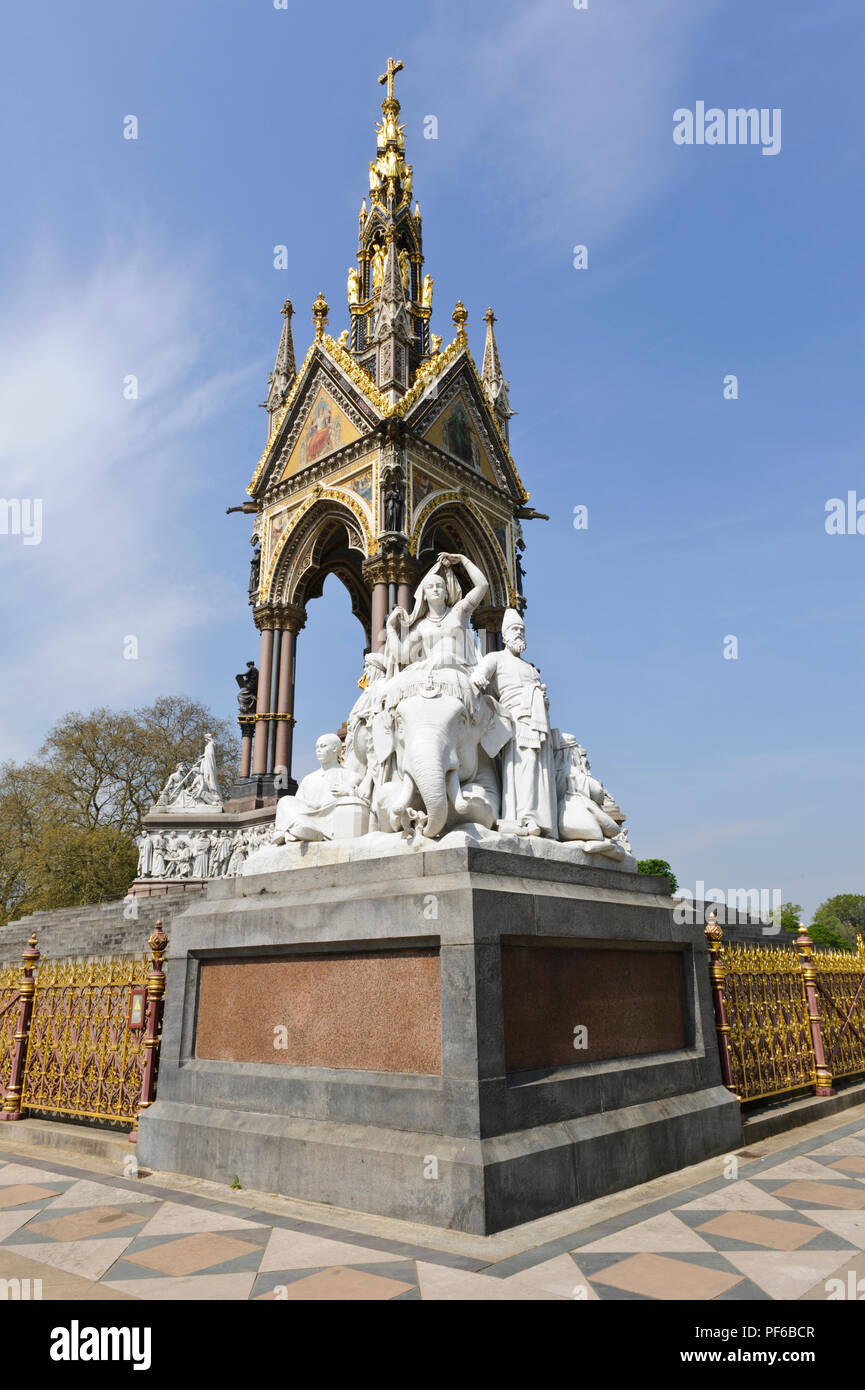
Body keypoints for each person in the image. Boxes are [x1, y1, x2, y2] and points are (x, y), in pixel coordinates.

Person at [471, 610, 558, 837]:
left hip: (539, 721)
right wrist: (479, 679)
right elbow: (478, 675)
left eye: (521, 630)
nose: (519, 633)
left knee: (541, 770)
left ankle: (542, 819)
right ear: (504, 634)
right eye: (514, 630)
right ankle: (524, 817)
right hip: (517, 721)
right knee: (524, 768)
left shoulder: (530, 668)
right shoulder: (495, 658)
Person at [384, 552, 487, 677]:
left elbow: (482, 586)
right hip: (434, 675)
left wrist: (462, 559)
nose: (435, 589)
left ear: (446, 593)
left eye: (439, 586)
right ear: (424, 595)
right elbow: (401, 655)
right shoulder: (420, 626)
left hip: (461, 671)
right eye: (430, 587)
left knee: (443, 657)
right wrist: (390, 629)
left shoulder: (459, 611)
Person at [273, 734, 359, 843]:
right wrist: (312, 805)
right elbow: (299, 802)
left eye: (323, 746)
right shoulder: (308, 779)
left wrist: (349, 791)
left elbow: (362, 797)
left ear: (335, 748)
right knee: (285, 800)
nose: (318, 750)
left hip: (330, 818)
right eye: (317, 747)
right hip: (309, 814)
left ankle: (307, 830)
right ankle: (301, 829)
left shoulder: (350, 775)